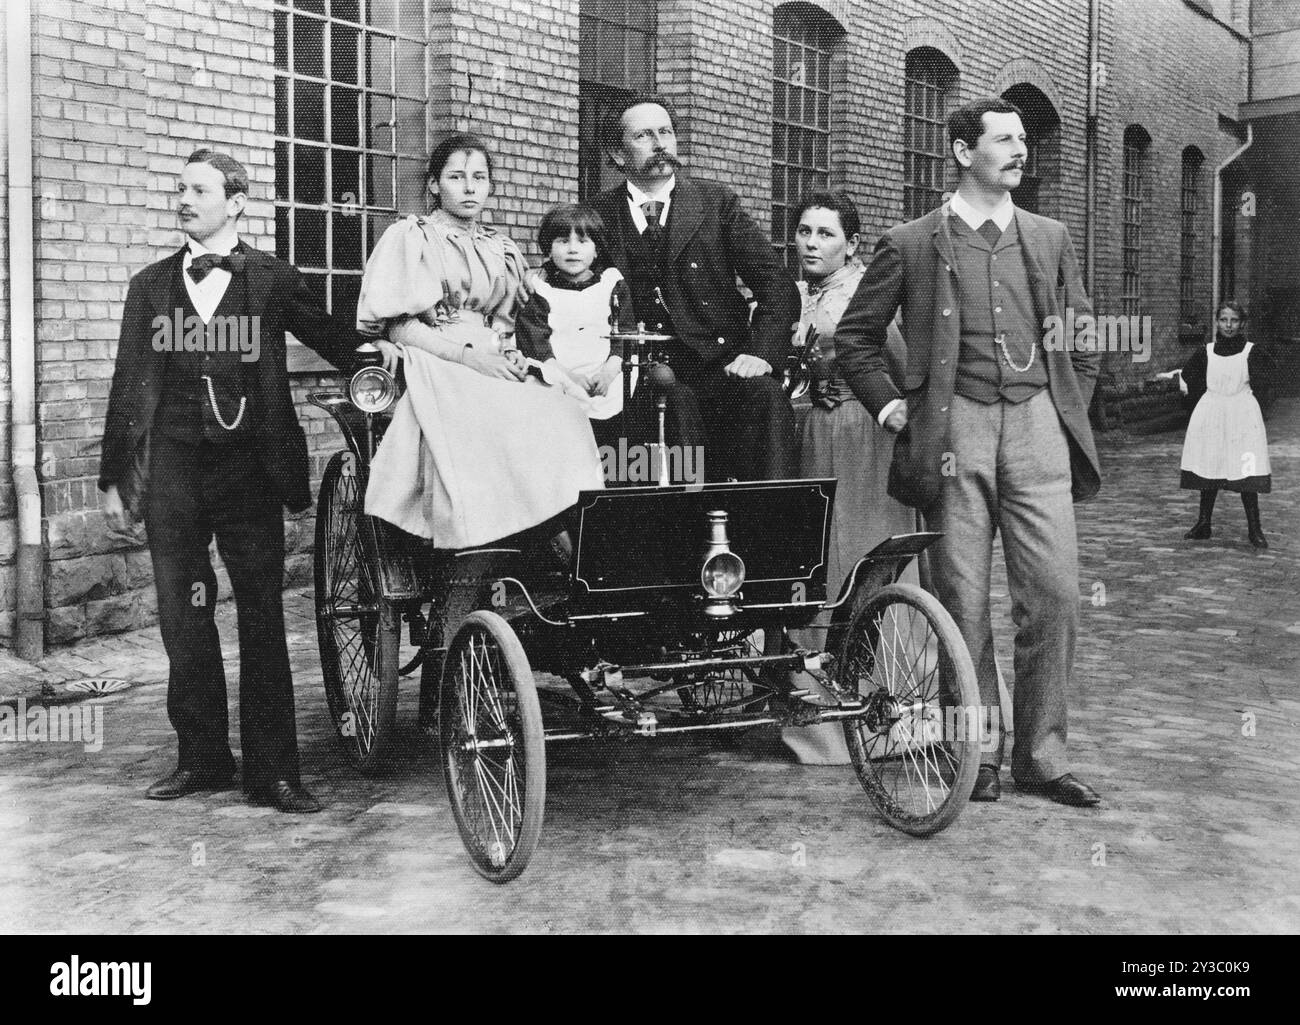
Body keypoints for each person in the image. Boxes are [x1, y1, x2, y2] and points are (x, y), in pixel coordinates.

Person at [835, 97, 1103, 808]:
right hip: (953, 432)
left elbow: (1080, 334)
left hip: (1038, 427)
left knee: (1055, 595)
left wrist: (1067, 399)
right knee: (962, 600)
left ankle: (1042, 757)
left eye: (1023, 140)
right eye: (1004, 140)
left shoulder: (1048, 236)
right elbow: (855, 339)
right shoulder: (913, 241)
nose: (1021, 151)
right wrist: (894, 407)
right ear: (961, 152)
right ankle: (975, 750)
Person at [99, 149, 365, 813]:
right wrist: (116, 478)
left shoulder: (273, 278)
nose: (184, 199)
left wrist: (389, 355)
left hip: (250, 466)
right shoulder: (151, 286)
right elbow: (130, 383)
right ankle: (203, 757)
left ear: (236, 201)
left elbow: (330, 335)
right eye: (179, 189)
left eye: (198, 189)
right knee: (183, 615)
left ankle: (273, 773)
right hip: (174, 469)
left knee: (262, 612)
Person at [357, 135, 603, 549]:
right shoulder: (412, 236)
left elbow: (504, 323)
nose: (470, 188)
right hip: (436, 355)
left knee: (560, 408)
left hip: (491, 354)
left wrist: (512, 355)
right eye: (456, 177)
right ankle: (531, 535)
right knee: (494, 415)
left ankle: (561, 529)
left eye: (479, 177)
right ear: (435, 185)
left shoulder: (499, 248)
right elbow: (398, 327)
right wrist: (469, 359)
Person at [588, 94, 799, 482]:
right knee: (674, 408)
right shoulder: (596, 217)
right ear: (617, 155)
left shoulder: (716, 203)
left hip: (719, 367)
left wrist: (761, 354)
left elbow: (778, 287)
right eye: (644, 136)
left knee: (766, 397)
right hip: (637, 377)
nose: (660, 144)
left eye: (665, 132)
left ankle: (772, 533)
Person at [780, 192, 919, 765]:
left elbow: (902, 367)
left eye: (826, 234)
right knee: (815, 562)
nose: (812, 243)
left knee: (863, 556)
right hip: (808, 437)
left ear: (852, 245)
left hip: (864, 441)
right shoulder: (796, 294)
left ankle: (895, 713)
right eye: (804, 231)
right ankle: (818, 723)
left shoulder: (868, 292)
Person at [514, 203, 637, 454]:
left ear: (596, 249)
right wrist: (569, 377)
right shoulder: (540, 290)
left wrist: (609, 371)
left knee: (613, 440)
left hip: (608, 374)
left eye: (582, 241)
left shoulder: (611, 284)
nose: (572, 249)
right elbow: (535, 343)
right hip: (559, 376)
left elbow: (624, 331)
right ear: (549, 248)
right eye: (562, 241)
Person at [1178, 301, 1273, 548]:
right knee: (1210, 464)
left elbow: (1267, 381)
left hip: (1242, 415)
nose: (1228, 325)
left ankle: (1255, 529)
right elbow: (1189, 376)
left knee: (1246, 470)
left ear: (1242, 323)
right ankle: (1203, 524)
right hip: (1212, 414)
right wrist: (1206, 402)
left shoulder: (1251, 351)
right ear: (1217, 322)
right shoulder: (1206, 352)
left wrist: (1255, 407)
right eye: (1223, 320)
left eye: (1233, 321)